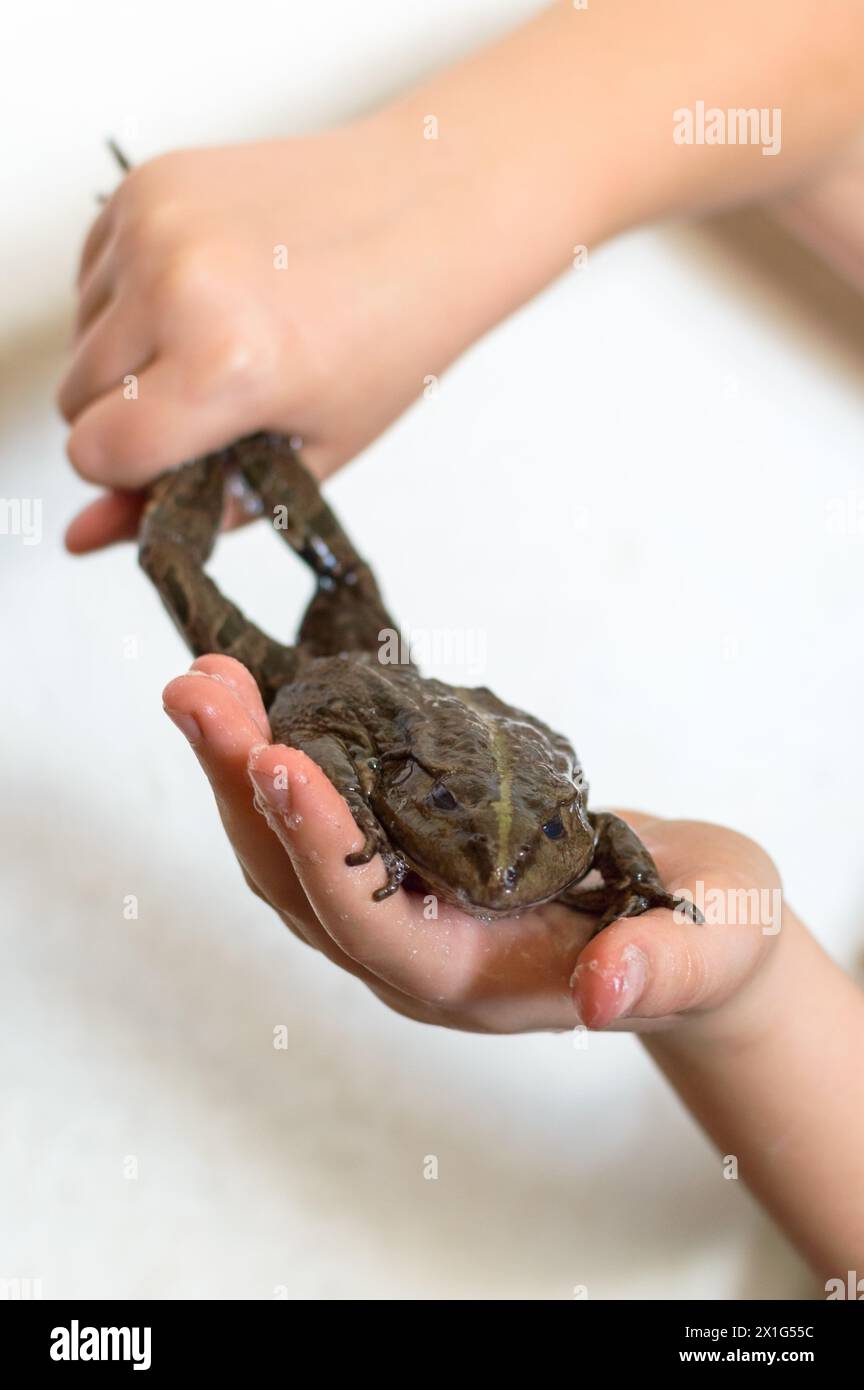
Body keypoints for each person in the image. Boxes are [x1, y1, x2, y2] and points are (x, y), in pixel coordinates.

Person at [57, 0, 864, 1285]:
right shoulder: (575, 841)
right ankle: (238, 445)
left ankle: (211, 457)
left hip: (329, 701)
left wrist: (733, 990)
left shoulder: (550, 849)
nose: (501, 883)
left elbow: (560, 831)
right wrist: (459, 187)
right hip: (384, 675)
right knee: (302, 560)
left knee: (170, 557)